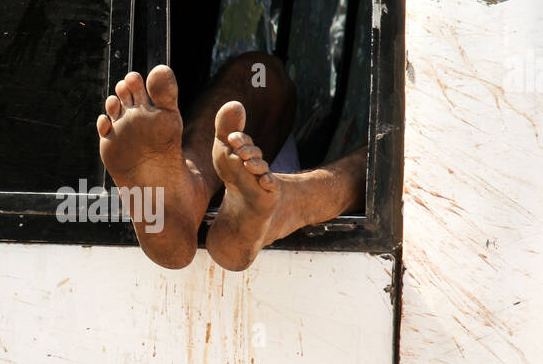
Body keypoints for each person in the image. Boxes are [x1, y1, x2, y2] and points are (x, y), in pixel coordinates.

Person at [96, 52, 366, 271]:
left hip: (262, 177)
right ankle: (270, 202)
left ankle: (264, 199)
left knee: (260, 71)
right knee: (261, 71)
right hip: (275, 180)